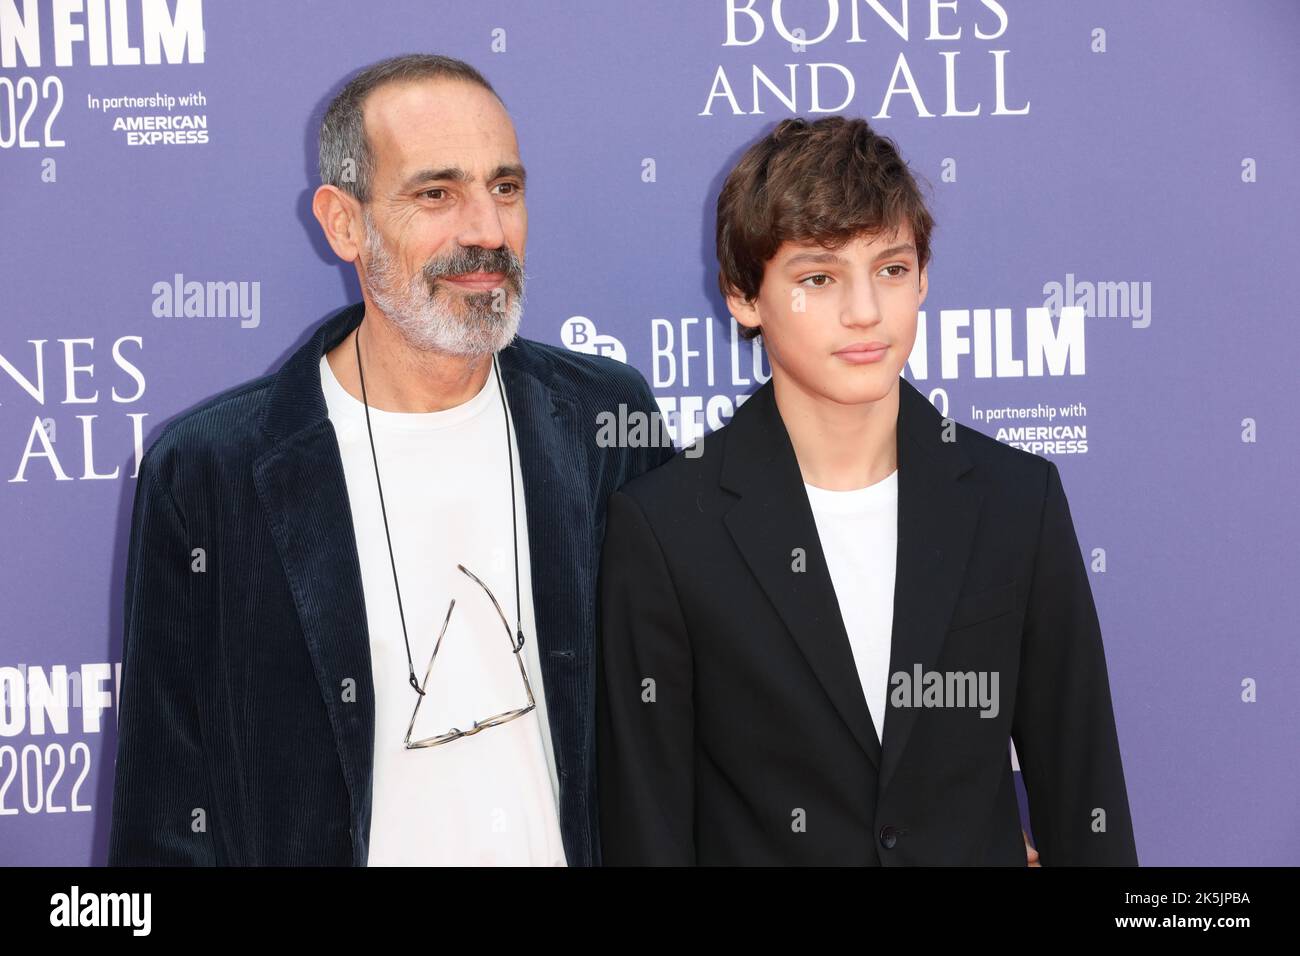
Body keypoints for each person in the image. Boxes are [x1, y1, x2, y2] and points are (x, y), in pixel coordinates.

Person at [108, 54, 670, 867]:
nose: (485, 230)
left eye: (504, 188)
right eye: (436, 193)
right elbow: (164, 818)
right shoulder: (210, 474)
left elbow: (683, 731)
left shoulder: (605, 421)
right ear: (343, 223)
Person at [596, 116, 1138, 866]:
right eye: (818, 277)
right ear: (743, 296)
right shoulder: (665, 530)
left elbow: (1085, 802)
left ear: (923, 278)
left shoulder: (1018, 500)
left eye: (890, 268)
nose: (865, 311)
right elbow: (647, 829)